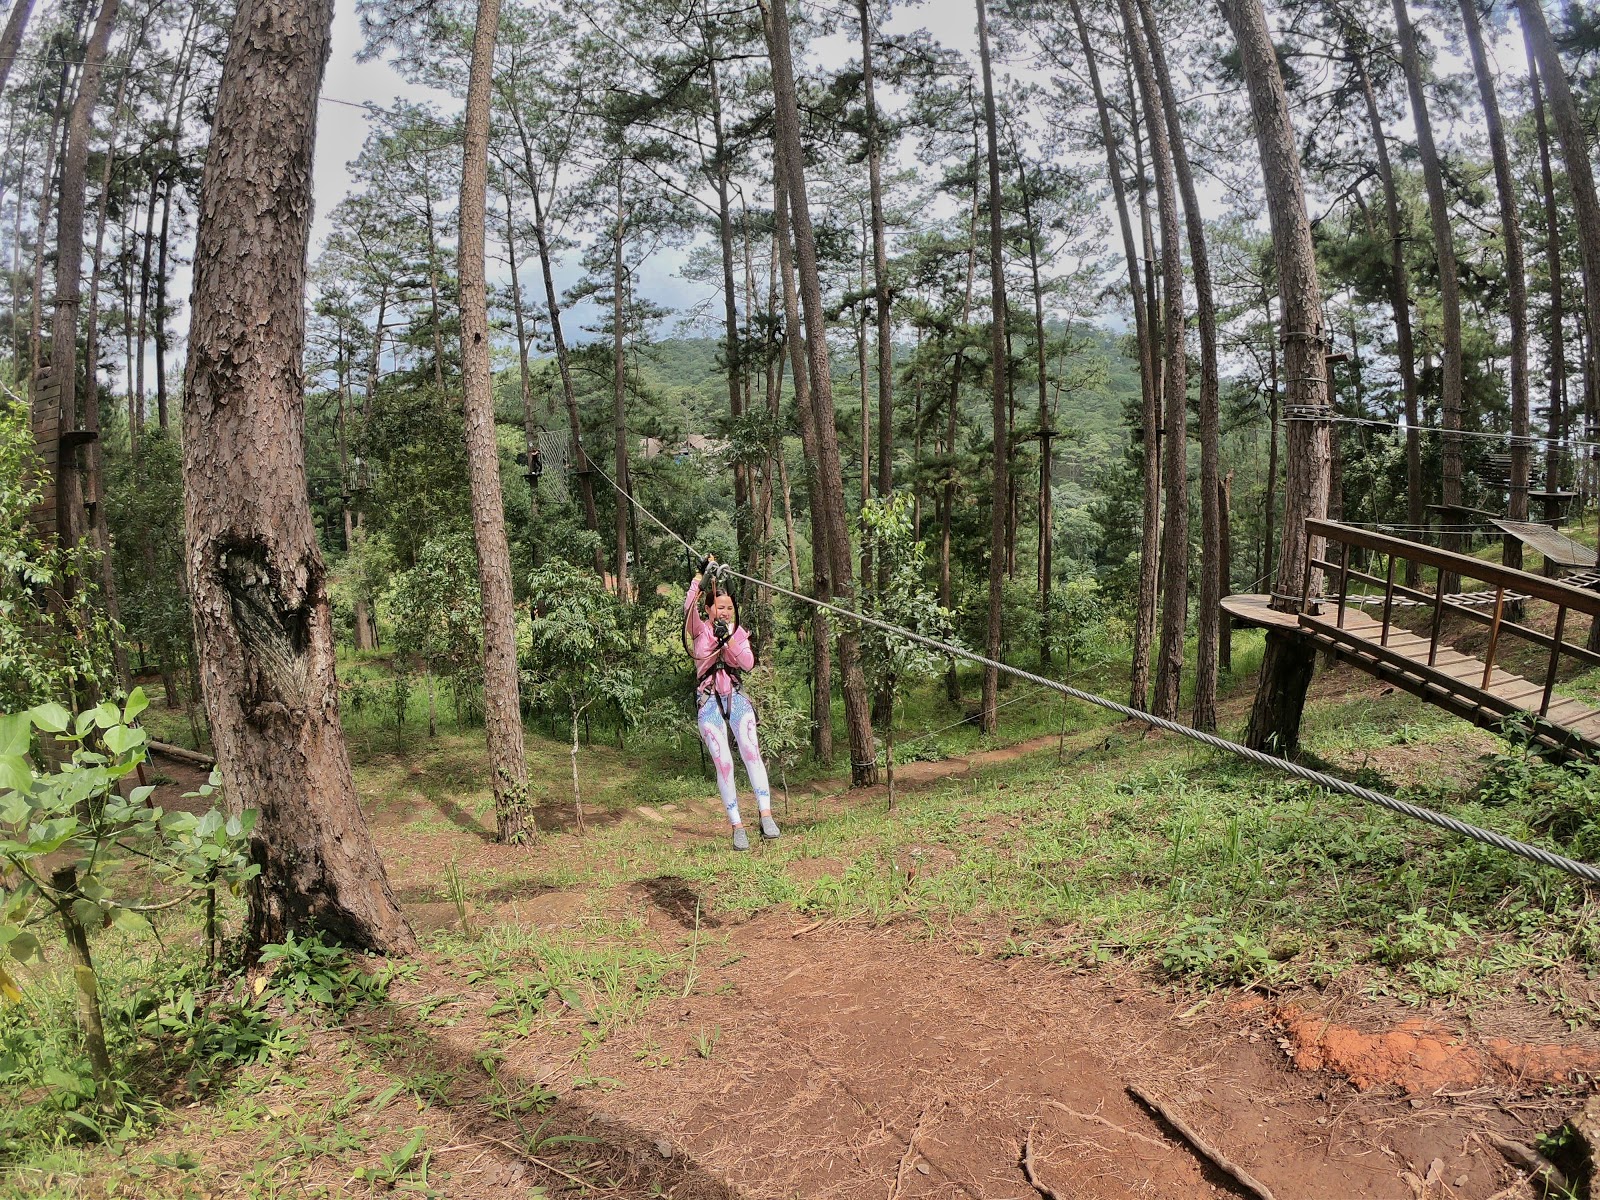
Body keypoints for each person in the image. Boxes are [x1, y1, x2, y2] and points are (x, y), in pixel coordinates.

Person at [685, 556, 780, 851]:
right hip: (709, 700)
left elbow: (748, 663)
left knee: (751, 752)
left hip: (735, 697)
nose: (725, 611)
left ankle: (765, 816)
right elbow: (688, 610)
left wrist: (730, 642)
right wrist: (699, 578)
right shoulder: (700, 630)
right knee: (724, 762)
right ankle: (737, 825)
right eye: (720, 607)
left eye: (729, 607)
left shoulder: (737, 632)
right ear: (709, 609)